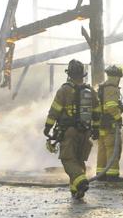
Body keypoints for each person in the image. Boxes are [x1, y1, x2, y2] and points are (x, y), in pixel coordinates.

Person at [43, 60, 100, 200]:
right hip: (85, 131)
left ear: (69, 74)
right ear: (82, 74)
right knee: (79, 160)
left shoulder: (64, 90)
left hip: (69, 131)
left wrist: (48, 127)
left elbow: (54, 110)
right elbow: (97, 112)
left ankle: (80, 182)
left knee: (68, 159)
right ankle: (76, 190)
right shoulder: (90, 91)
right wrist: (96, 129)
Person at [95, 65, 123, 182]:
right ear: (118, 77)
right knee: (112, 149)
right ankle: (112, 175)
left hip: (101, 124)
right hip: (110, 124)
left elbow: (104, 105)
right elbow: (110, 107)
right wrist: (118, 117)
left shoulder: (102, 87)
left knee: (102, 150)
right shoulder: (112, 88)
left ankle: (101, 173)